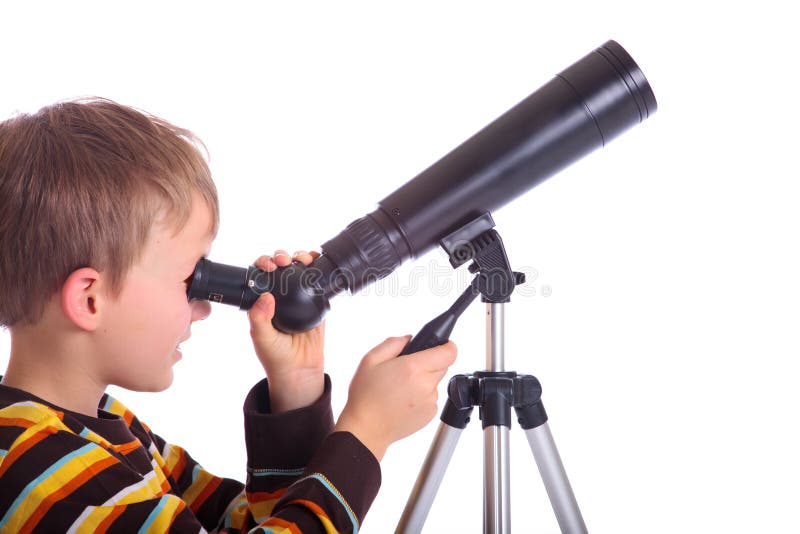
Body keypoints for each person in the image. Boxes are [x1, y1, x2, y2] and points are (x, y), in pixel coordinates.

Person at [0, 98, 456, 532]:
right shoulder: (41, 475)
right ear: (90, 300)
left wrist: (296, 385)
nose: (203, 308)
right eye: (191, 279)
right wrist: (366, 434)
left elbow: (248, 523)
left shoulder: (94, 425)